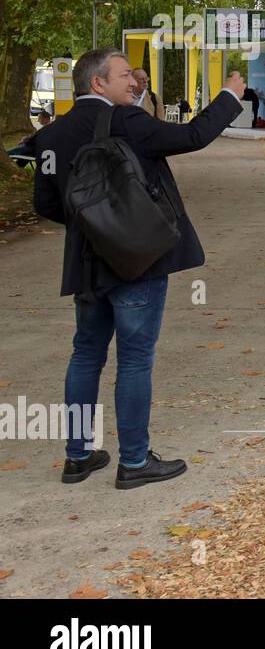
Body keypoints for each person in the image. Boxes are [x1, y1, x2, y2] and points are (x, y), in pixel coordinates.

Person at [31, 49, 243, 489]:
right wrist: (228, 95)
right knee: (135, 359)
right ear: (97, 84)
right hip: (137, 262)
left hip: (86, 266)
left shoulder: (51, 134)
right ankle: (133, 461)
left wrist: (94, 228)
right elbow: (192, 136)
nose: (134, 80)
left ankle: (78, 456)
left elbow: (47, 204)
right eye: (125, 75)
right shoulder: (128, 122)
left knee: (86, 354)